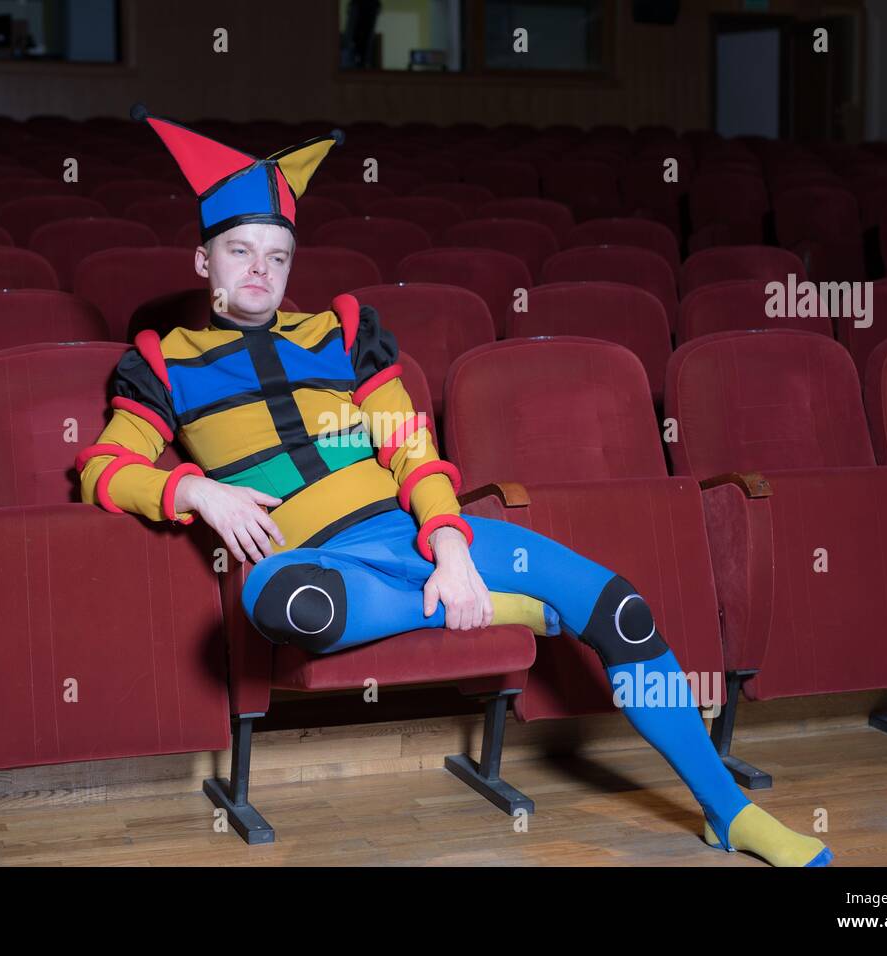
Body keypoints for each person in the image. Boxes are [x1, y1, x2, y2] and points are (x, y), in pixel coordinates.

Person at [78, 108, 832, 867]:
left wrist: (448, 545)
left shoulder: (343, 332)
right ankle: (500, 610)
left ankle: (728, 811)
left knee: (624, 613)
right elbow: (103, 471)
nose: (259, 271)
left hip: (410, 532)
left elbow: (412, 449)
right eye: (239, 251)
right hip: (322, 565)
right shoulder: (160, 361)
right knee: (275, 598)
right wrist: (196, 492)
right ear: (203, 261)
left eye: (277, 256)